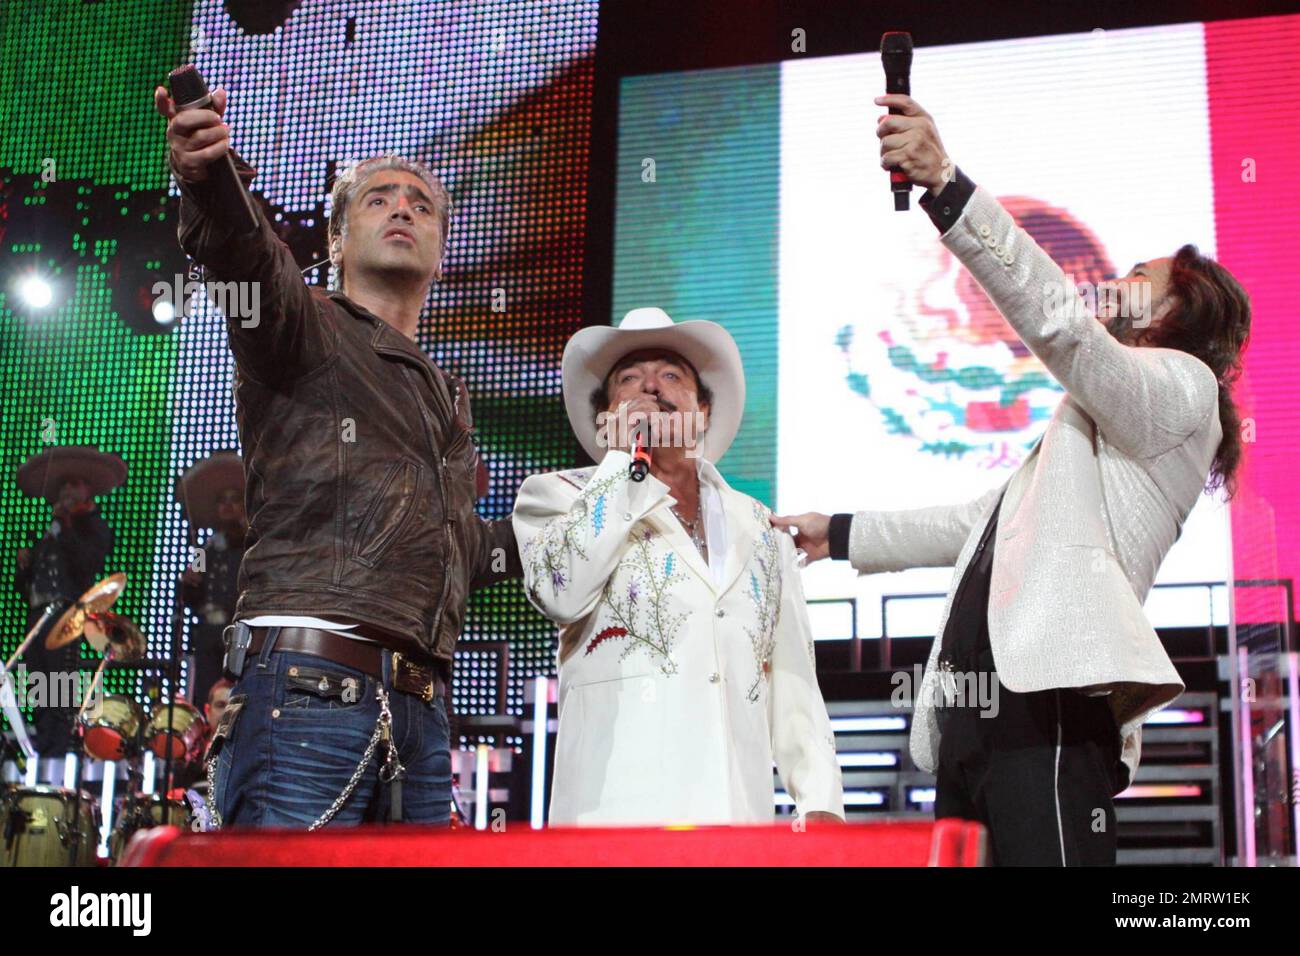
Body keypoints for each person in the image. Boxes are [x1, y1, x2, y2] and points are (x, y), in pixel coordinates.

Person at [776, 94, 1251, 865]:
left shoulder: (1183, 390)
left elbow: (1061, 323)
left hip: (1052, 704)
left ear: (1179, 316)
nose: (1114, 285)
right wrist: (839, 534)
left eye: (1137, 277)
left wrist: (946, 184)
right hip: (979, 718)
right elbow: (976, 523)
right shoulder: (1086, 431)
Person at [153, 82, 520, 828]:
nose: (403, 209)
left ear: (441, 256)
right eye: (379, 199)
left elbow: (459, 551)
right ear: (335, 243)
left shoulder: (447, 398)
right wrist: (209, 178)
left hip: (420, 712)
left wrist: (611, 503)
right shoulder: (302, 326)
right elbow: (246, 258)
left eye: (420, 204)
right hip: (310, 687)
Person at [514, 308, 844, 825]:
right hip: (613, 819)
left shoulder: (761, 529)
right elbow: (559, 592)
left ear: (704, 410)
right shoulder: (558, 497)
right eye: (629, 379)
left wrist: (821, 801)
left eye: (671, 375)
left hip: (737, 820)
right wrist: (624, 462)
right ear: (605, 417)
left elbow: (793, 679)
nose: (651, 386)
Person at [14, 445, 122, 759]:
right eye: (64, 485)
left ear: (88, 490)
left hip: (67, 614)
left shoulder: (93, 526)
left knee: (59, 686)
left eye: (75, 484)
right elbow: (25, 587)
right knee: (37, 682)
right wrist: (25, 567)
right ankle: (41, 746)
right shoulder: (48, 529)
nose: (68, 490)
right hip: (38, 613)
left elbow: (86, 564)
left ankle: (58, 751)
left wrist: (67, 528)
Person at [176, 451, 246, 709]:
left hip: (237, 633)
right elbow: (188, 595)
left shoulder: (251, 547)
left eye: (234, 500)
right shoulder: (207, 551)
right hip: (207, 634)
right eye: (222, 501)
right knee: (204, 693)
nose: (227, 506)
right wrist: (188, 581)